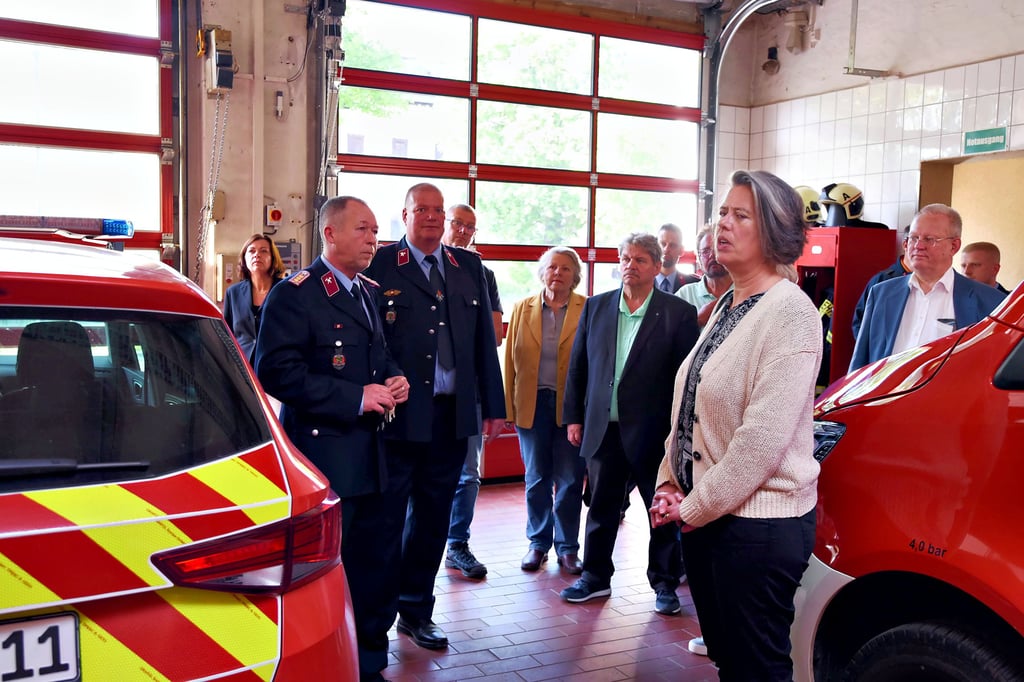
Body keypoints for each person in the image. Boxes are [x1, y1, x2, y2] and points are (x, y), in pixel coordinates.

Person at [650, 169, 822, 681]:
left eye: (740, 215)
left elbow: (760, 442)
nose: (722, 223)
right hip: (710, 516)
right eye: (722, 212)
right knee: (729, 660)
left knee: (757, 669)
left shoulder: (791, 313)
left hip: (758, 527)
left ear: (774, 232)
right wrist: (669, 480)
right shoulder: (731, 301)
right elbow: (690, 405)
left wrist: (692, 507)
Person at [254, 196, 410, 682]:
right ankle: (331, 659)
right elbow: (275, 371)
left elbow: (377, 355)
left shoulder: (368, 290)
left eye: (375, 231)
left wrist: (395, 377)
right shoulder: (296, 294)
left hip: (376, 453)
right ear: (330, 233)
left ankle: (369, 660)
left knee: (375, 562)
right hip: (328, 455)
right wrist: (354, 398)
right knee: (332, 568)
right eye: (362, 229)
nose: (373, 240)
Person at [364, 182, 505, 651]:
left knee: (432, 521)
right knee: (387, 522)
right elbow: (368, 341)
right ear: (404, 216)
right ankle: (374, 622)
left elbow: (484, 342)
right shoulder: (382, 264)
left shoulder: (468, 266)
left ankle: (415, 612)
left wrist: (493, 407)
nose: (431, 217)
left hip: (451, 417)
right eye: (421, 209)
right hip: (398, 419)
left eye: (438, 210)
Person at [561, 232, 698, 616]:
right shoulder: (597, 307)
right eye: (624, 258)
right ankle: (595, 578)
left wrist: (681, 434)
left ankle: (665, 584)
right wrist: (574, 417)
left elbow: (687, 379)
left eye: (639, 260)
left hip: (655, 433)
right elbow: (578, 367)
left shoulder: (677, 313)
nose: (630, 266)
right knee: (601, 507)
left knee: (661, 510)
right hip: (604, 429)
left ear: (656, 266)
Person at [504, 246, 587, 574]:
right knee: (536, 477)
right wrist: (507, 408)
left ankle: (567, 547)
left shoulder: (587, 308)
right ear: (542, 272)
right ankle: (538, 543)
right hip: (531, 403)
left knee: (570, 479)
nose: (557, 273)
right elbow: (509, 361)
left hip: (572, 407)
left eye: (565, 268)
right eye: (552, 267)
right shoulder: (522, 308)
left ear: (574, 275)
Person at [850, 204, 1006, 372]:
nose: (918, 246)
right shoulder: (881, 293)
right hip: (886, 389)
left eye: (930, 239)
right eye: (913, 238)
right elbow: (860, 363)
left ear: (954, 246)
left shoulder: (990, 301)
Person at [441, 203, 504, 579]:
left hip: (469, 391)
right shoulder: (416, 269)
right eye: (458, 223)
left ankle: (457, 545)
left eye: (470, 227)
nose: (463, 231)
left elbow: (494, 335)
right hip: (424, 393)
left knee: (468, 474)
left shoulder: (482, 273)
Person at [223, 233, 285, 363]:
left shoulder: (286, 290)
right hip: (243, 366)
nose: (257, 255)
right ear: (244, 258)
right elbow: (227, 335)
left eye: (264, 251)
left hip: (277, 365)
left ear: (273, 258)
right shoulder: (233, 293)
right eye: (251, 251)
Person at [851, 226, 910, 339]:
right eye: (917, 239)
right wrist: (870, 348)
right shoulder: (882, 281)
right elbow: (860, 322)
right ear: (905, 244)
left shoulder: (935, 282)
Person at [677, 224, 733, 330]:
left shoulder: (746, 292)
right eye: (706, 251)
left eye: (718, 249)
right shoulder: (685, 295)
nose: (712, 255)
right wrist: (697, 320)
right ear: (698, 258)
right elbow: (667, 336)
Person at [655, 223, 700, 293]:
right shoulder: (641, 281)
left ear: (681, 250)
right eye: (663, 244)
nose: (666, 249)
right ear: (655, 247)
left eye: (672, 245)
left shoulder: (694, 285)